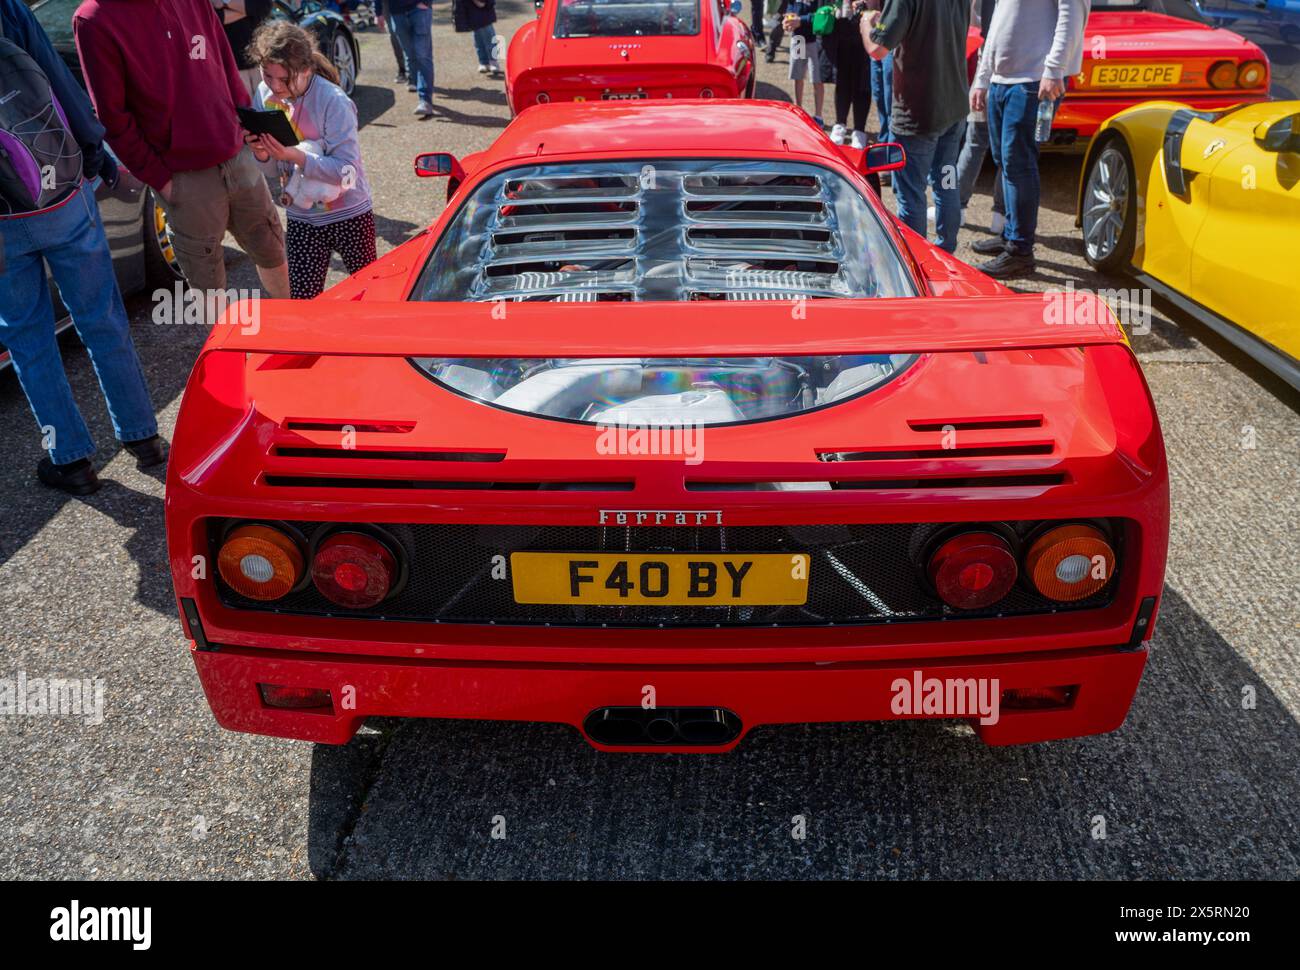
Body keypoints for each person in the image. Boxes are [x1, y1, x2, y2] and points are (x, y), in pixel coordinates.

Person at [0, 0, 164, 494]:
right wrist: (93, 152)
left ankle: (70, 460)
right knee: (100, 316)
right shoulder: (8, 9)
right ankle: (144, 439)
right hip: (59, 192)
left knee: (28, 340)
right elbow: (54, 77)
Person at [74, 0, 290, 306]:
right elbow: (112, 117)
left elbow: (223, 60)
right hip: (184, 178)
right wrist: (161, 179)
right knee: (210, 293)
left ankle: (297, 342)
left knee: (273, 252)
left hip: (237, 156)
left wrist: (246, 122)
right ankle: (227, 355)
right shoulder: (94, 19)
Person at [244, 21, 376, 300]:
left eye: (284, 79)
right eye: (267, 76)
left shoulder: (333, 101)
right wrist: (261, 153)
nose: (275, 86)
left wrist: (295, 156)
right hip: (303, 217)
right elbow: (272, 170)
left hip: (349, 214)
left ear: (306, 70)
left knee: (367, 300)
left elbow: (347, 172)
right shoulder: (265, 95)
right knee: (303, 302)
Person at [969, 0, 1088, 278]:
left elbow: (1071, 14)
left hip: (1032, 80)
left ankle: (1020, 251)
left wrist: (1054, 68)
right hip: (1005, 80)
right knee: (1005, 161)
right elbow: (998, 22)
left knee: (1018, 163)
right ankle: (1011, 237)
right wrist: (983, 78)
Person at [861, 0, 969, 253]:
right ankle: (946, 251)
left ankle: (917, 261)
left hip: (919, 111)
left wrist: (866, 23)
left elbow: (877, 48)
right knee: (946, 181)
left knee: (911, 194)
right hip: (953, 106)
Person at [825, 1, 871, 149]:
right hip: (842, 27)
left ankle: (859, 130)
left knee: (862, 83)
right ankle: (840, 124)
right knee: (842, 80)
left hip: (865, 27)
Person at [779, 0, 827, 126]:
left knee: (817, 78)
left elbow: (821, 14)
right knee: (798, 76)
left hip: (814, 39)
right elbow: (790, 6)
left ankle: (818, 116)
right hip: (798, 39)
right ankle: (798, 109)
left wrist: (801, 19)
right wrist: (787, 20)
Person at [213, 0, 273, 99]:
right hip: (232, 63)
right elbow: (217, 18)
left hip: (260, 59)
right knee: (244, 108)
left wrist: (225, 3)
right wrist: (249, 10)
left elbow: (265, 6)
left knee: (268, 105)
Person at [387, 0, 435, 117]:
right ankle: (416, 83)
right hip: (397, 13)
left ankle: (425, 100)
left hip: (419, 10)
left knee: (423, 56)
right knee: (411, 56)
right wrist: (378, 12)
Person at [452, 0, 499, 77]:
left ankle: (493, 61)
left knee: (489, 37)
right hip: (471, 12)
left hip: (484, 10)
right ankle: (483, 62)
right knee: (478, 40)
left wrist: (483, 3)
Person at [375, 0, 410, 86]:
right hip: (388, 4)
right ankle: (403, 69)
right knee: (395, 37)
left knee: (412, 34)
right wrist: (378, 12)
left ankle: (414, 72)